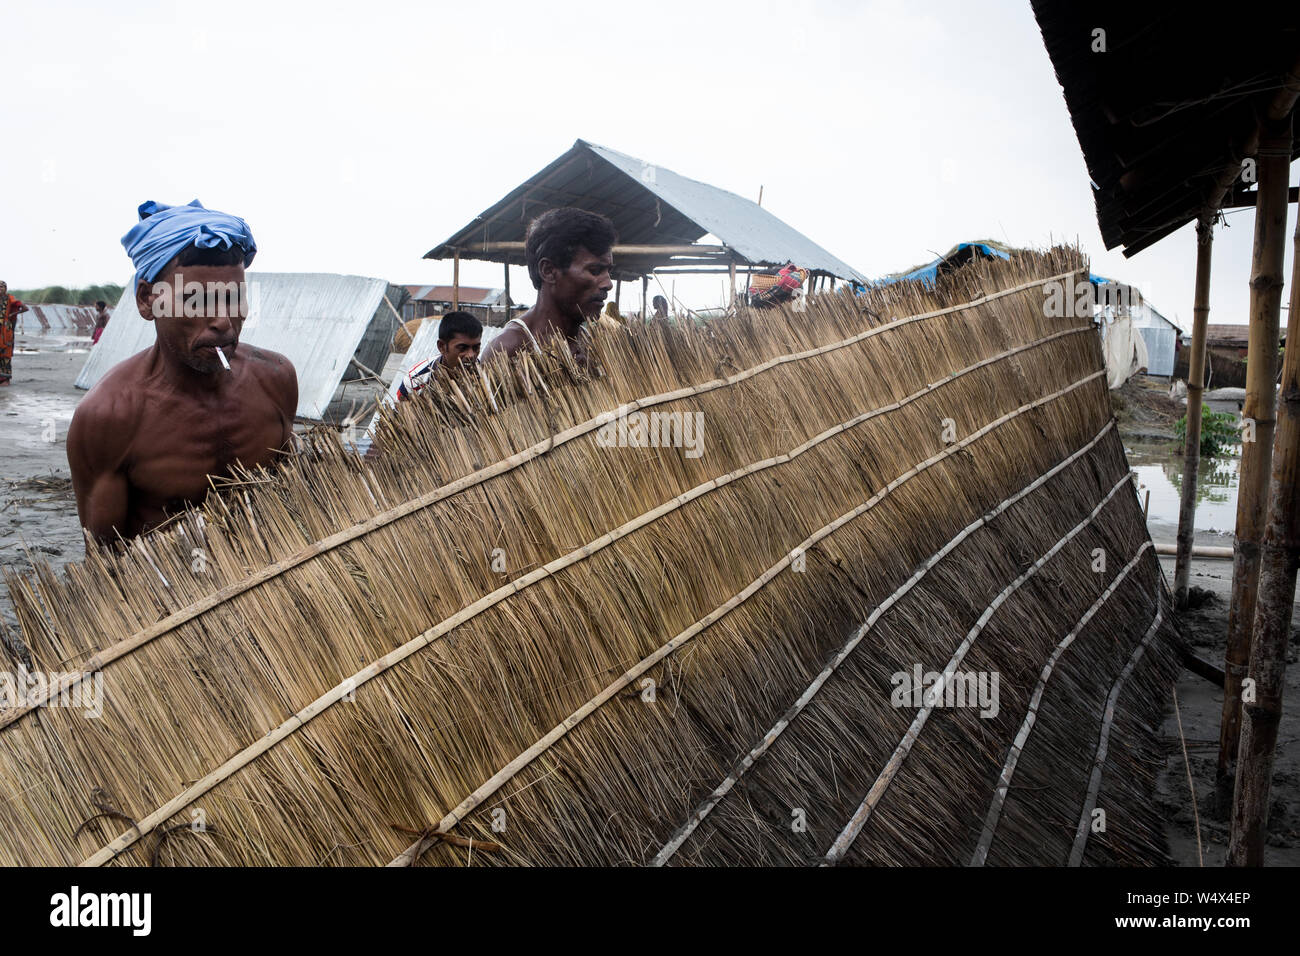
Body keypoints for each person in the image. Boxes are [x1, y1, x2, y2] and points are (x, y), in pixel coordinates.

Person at [67, 200, 298, 545]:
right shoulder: (110, 418)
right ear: (148, 300)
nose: (222, 321)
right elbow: (104, 565)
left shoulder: (275, 380)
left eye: (234, 298)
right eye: (197, 300)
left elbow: (291, 498)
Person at [479, 207, 615, 366]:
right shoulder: (508, 351)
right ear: (548, 271)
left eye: (608, 271)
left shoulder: (595, 345)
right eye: (594, 270)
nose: (608, 284)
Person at [396, 310, 482, 401]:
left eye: (476, 348)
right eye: (462, 348)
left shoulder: (484, 376)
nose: (471, 355)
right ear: (441, 347)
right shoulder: (415, 380)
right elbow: (400, 411)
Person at [1, 287, 26, 386]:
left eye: (2, 287)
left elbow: (24, 308)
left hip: (5, 330)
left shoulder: (10, 298)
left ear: (5, 289)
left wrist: (11, 314)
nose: (0, 289)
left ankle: (5, 380)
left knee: (5, 353)